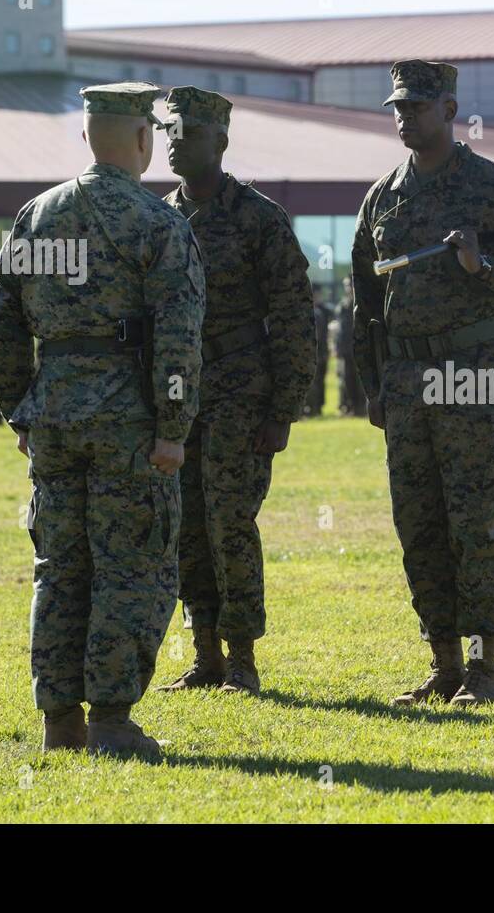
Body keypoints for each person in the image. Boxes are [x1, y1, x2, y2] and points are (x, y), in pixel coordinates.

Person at [0, 82, 205, 761]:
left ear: (85, 138)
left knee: (61, 565)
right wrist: (173, 426)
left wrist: (18, 407)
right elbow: (177, 335)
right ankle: (111, 719)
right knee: (131, 566)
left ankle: (60, 721)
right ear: (143, 140)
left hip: (53, 415)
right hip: (127, 420)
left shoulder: (35, 216)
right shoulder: (157, 222)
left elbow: (1, 324)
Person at [350, 60, 494, 706]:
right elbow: (365, 303)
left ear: (449, 108)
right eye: (397, 107)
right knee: (419, 525)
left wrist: (483, 264)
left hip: (476, 374)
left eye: (416, 106)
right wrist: (375, 387)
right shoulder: (383, 196)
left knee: (474, 522)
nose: (403, 116)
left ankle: (484, 668)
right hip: (409, 379)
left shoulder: (492, 188)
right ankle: (443, 665)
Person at [156, 85, 316, 697]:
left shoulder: (258, 218)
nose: (175, 144)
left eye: (188, 134)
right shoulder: (161, 219)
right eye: (170, 133)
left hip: (241, 396)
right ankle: (205, 657)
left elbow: (294, 318)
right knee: (184, 526)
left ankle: (242, 656)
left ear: (220, 142)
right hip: (178, 397)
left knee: (229, 522)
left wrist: (283, 410)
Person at [334, 276, 366, 416]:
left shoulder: (361, 304)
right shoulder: (342, 306)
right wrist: (337, 347)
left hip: (359, 349)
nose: (348, 288)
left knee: (361, 381)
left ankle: (361, 408)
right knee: (347, 380)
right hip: (346, 350)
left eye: (350, 285)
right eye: (346, 285)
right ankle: (351, 407)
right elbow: (339, 330)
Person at [304, 285, 332, 416]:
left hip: (316, 353)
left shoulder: (316, 313)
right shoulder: (318, 312)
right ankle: (316, 408)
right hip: (319, 352)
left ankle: (314, 408)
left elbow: (318, 337)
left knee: (314, 382)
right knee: (318, 382)